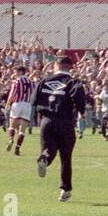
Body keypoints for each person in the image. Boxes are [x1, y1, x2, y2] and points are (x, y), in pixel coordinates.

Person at [32, 54, 87, 202]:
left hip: (46, 121)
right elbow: (79, 97)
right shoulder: (73, 82)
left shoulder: (44, 81)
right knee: (65, 157)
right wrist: (83, 111)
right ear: (70, 67)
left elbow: (34, 100)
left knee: (48, 150)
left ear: (56, 66)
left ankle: (44, 159)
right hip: (65, 121)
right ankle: (65, 190)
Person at [6, 68, 35, 154]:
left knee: (12, 125)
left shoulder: (17, 81)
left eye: (15, 72)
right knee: (22, 130)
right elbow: (34, 94)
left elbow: (12, 93)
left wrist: (8, 103)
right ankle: (17, 148)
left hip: (17, 103)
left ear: (20, 72)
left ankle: (11, 140)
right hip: (27, 105)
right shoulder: (31, 82)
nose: (14, 73)